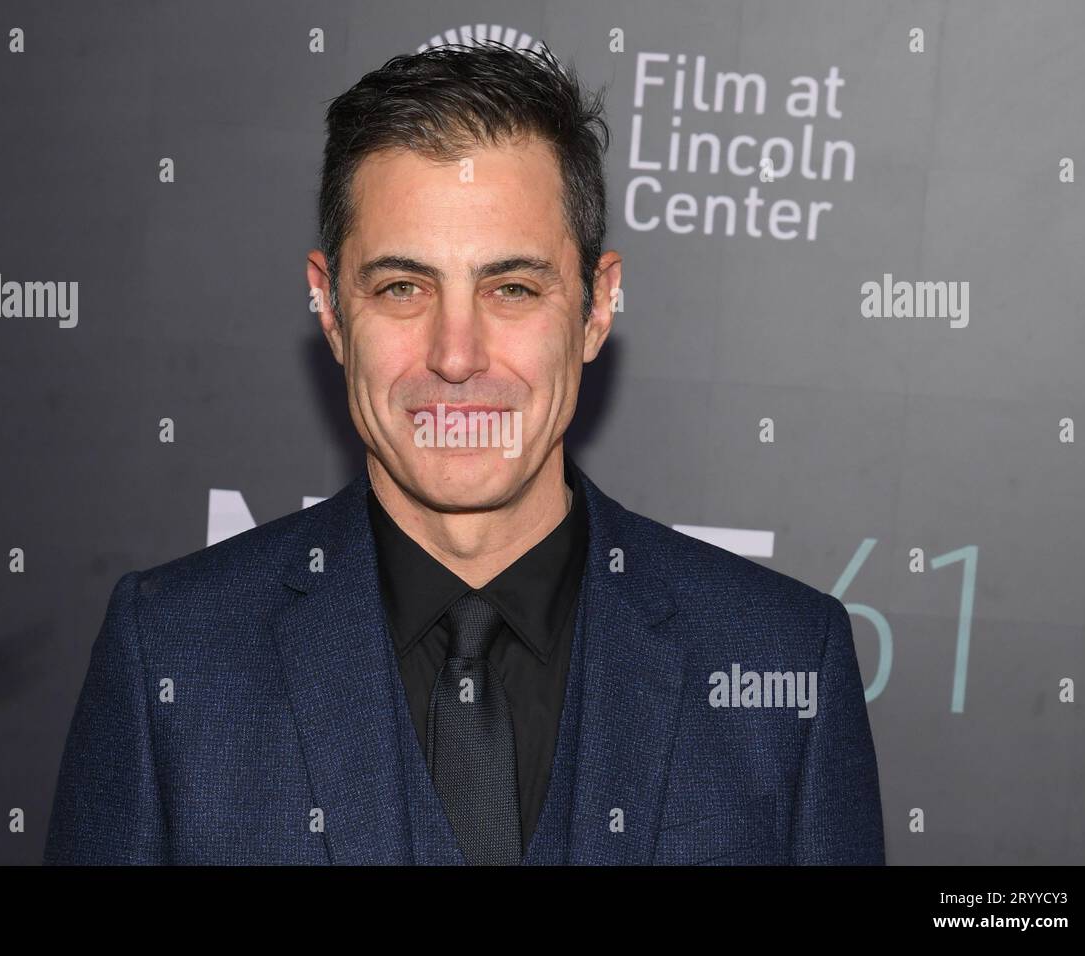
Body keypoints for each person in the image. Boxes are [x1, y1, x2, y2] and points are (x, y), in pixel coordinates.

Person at [44, 40, 885, 865]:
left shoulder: (778, 667)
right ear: (331, 310)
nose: (455, 355)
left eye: (511, 288)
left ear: (597, 307)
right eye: (402, 287)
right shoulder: (174, 659)